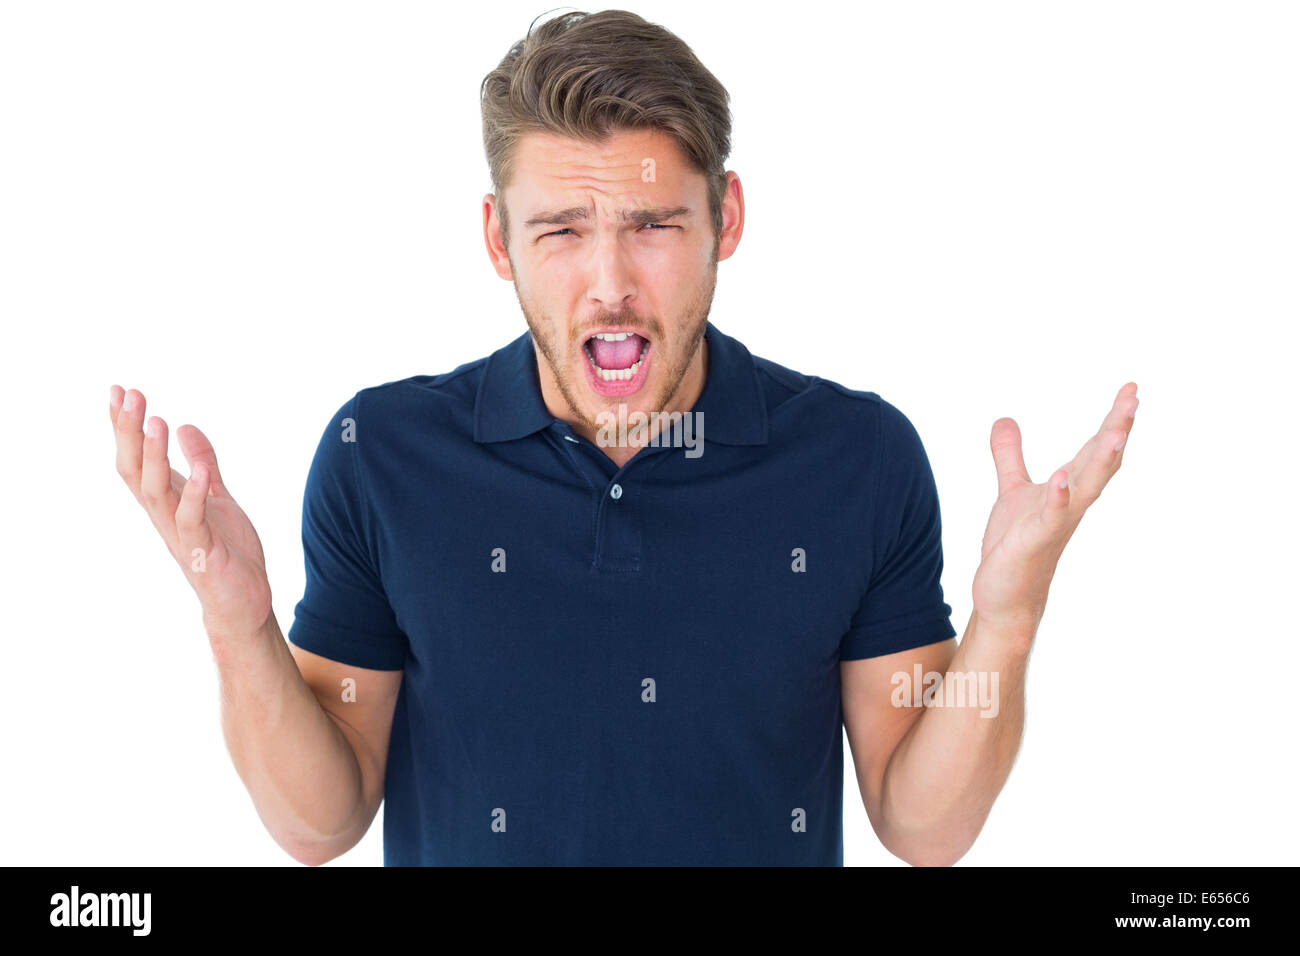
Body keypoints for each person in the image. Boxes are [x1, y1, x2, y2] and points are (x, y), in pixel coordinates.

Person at [108, 9, 1137, 866]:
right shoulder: (378, 454)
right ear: (495, 241)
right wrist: (240, 627)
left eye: (651, 224)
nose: (608, 283)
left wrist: (1006, 618)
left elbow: (923, 825)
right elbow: (318, 822)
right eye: (560, 229)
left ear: (724, 220)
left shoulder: (858, 459)